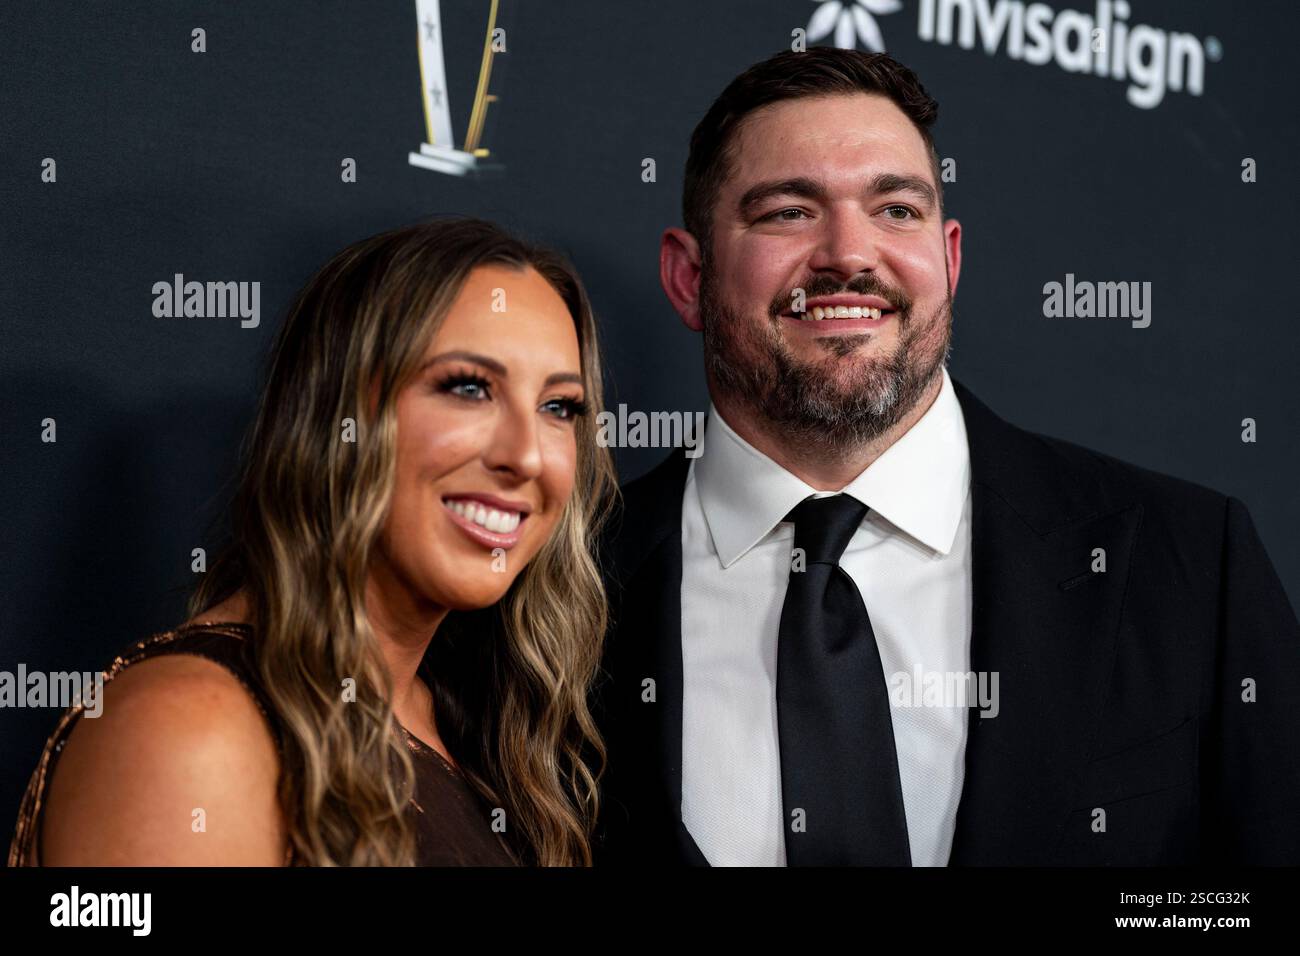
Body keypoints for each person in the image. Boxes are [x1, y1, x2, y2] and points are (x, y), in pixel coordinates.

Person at [592, 48, 1300, 866]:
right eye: (788, 211)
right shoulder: (566, 587)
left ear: (950, 259)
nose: (849, 255)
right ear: (688, 278)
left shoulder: (1188, 563)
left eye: (896, 209)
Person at [9, 217, 617, 866]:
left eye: (560, 408)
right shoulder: (188, 730)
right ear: (338, 418)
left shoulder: (470, 729)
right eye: (468, 387)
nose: (526, 455)